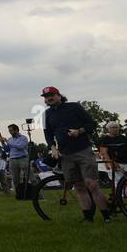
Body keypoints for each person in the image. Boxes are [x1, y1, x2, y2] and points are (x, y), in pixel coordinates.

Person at [41, 86, 111, 222]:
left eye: (52, 95)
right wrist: (53, 148)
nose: (49, 98)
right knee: (78, 186)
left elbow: (92, 124)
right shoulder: (46, 114)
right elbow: (48, 134)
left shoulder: (74, 107)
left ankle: (106, 216)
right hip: (65, 154)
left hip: (83, 150)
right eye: (46, 96)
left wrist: (79, 131)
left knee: (91, 184)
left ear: (59, 95)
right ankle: (88, 217)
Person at [0, 124, 31, 199]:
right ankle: (19, 196)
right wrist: (3, 143)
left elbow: (20, 146)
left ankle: (39, 195)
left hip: (23, 158)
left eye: (11, 130)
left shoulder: (23, 138)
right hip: (12, 160)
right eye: (9, 131)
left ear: (16, 130)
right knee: (15, 180)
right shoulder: (10, 139)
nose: (10, 132)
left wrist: (7, 141)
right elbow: (7, 150)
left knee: (30, 177)